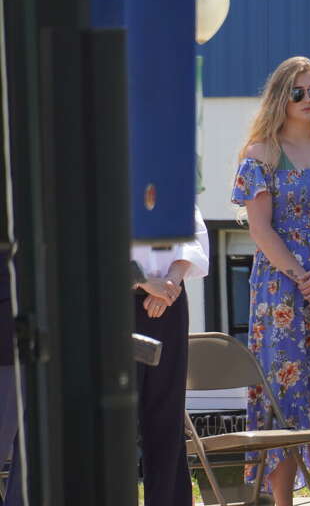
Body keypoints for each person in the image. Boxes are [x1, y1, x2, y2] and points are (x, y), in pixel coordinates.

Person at [231, 56, 310, 505]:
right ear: (280, 97)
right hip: (281, 291)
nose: (308, 99)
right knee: (284, 397)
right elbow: (261, 230)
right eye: (297, 92)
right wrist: (301, 276)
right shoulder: (261, 154)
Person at [132, 205, 210, 506]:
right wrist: (143, 282)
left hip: (169, 299)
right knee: (116, 418)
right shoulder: (97, 170)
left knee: (167, 416)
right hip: (114, 298)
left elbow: (191, 237)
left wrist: (171, 283)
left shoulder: (166, 174)